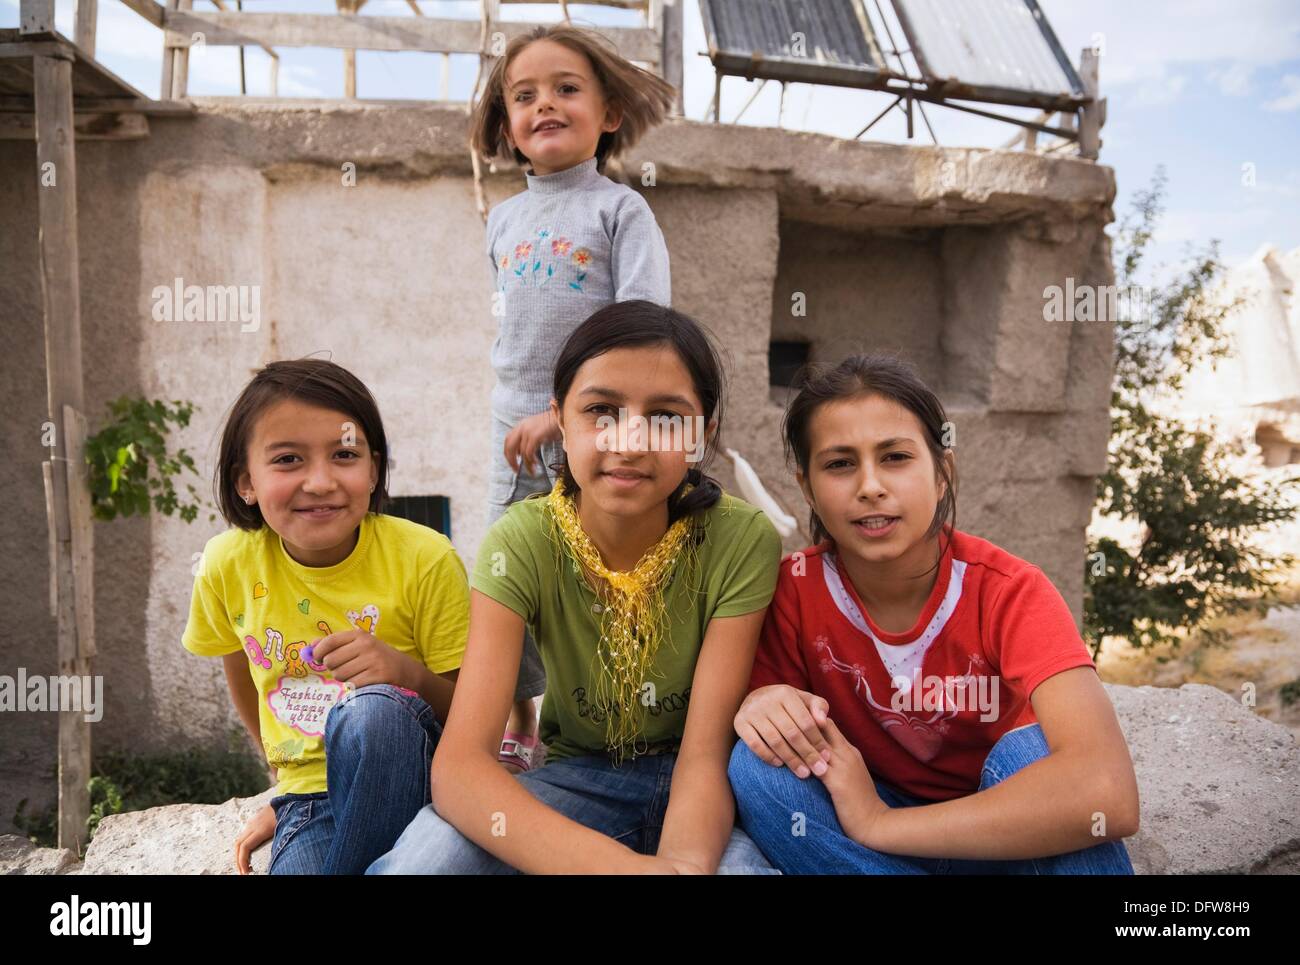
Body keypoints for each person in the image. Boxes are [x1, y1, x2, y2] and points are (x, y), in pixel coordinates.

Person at [369, 301, 781, 874]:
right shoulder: (522, 541)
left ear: (703, 433)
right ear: (560, 419)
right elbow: (461, 768)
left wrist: (682, 866)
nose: (630, 442)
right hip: (576, 776)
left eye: (666, 417)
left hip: (706, 791)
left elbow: (704, 754)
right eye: (601, 410)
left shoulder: (740, 539)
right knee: (427, 860)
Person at [728, 354, 1139, 874]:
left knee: (1033, 754)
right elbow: (758, 728)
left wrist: (878, 823)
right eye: (839, 463)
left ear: (942, 473)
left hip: (1008, 830)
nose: (870, 485)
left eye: (895, 457)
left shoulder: (1010, 592)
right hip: (873, 842)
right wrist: (764, 702)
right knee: (759, 767)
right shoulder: (792, 592)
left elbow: (1108, 792)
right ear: (807, 487)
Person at [469, 23, 676, 772]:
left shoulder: (619, 211)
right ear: (506, 123)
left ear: (610, 113)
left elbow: (643, 330)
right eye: (523, 96)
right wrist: (517, 411)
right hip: (510, 431)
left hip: (592, 434)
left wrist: (567, 413)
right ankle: (515, 723)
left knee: (586, 581)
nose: (543, 105)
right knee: (504, 578)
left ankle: (591, 726)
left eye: (565, 89)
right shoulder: (502, 219)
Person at [182, 359, 469, 874]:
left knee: (372, 710)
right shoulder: (227, 564)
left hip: (420, 794)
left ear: (374, 469)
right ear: (246, 481)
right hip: (309, 807)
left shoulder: (425, 558)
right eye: (288, 459)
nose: (319, 481)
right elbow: (240, 669)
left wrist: (404, 675)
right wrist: (282, 782)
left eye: (343, 454)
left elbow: (471, 717)